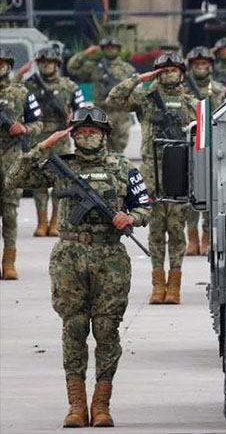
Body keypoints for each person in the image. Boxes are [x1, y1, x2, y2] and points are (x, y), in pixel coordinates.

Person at [6, 107, 151, 427]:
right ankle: (76, 405)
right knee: (73, 330)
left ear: (105, 135)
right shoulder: (60, 167)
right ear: (73, 135)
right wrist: (44, 146)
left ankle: (101, 404)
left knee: (106, 331)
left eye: (94, 132)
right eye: (81, 132)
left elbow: (144, 207)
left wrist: (131, 218)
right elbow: (13, 177)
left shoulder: (123, 168)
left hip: (109, 257)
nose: (87, 137)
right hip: (70, 256)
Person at [105, 53, 197, 305]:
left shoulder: (191, 103)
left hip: (178, 178)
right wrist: (139, 78)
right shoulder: (146, 100)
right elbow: (113, 99)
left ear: (181, 72)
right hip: (151, 178)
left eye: (173, 69)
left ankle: (174, 284)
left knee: (177, 233)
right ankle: (158, 285)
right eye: (163, 70)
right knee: (155, 232)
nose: (169, 74)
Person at [15, 47, 85, 237]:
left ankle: (55, 222)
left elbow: (81, 108)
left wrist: (74, 118)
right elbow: (11, 88)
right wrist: (22, 71)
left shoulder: (69, 86)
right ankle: (42, 222)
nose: (46, 65)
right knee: (39, 183)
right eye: (43, 62)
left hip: (60, 139)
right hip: (37, 139)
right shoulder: (29, 85)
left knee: (60, 182)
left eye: (50, 62)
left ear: (57, 64)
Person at [0, 46, 43, 279]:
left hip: (11, 161)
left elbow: (39, 123)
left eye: (1, 63)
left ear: (8, 66)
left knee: (10, 213)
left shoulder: (22, 93)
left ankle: (9, 262)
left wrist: (24, 128)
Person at [182, 46, 226, 256]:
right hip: (187, 147)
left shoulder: (218, 90)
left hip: (210, 147)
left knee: (208, 193)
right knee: (189, 194)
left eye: (204, 64)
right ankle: (191, 237)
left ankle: (206, 238)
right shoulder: (181, 89)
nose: (201, 67)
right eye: (196, 64)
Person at [66, 36, 137, 154]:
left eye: (113, 47)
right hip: (101, 114)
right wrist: (86, 53)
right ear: (102, 49)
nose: (110, 50)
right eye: (107, 47)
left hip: (121, 115)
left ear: (118, 49)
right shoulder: (95, 67)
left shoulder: (127, 69)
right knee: (98, 148)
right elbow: (71, 67)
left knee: (118, 151)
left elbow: (136, 89)